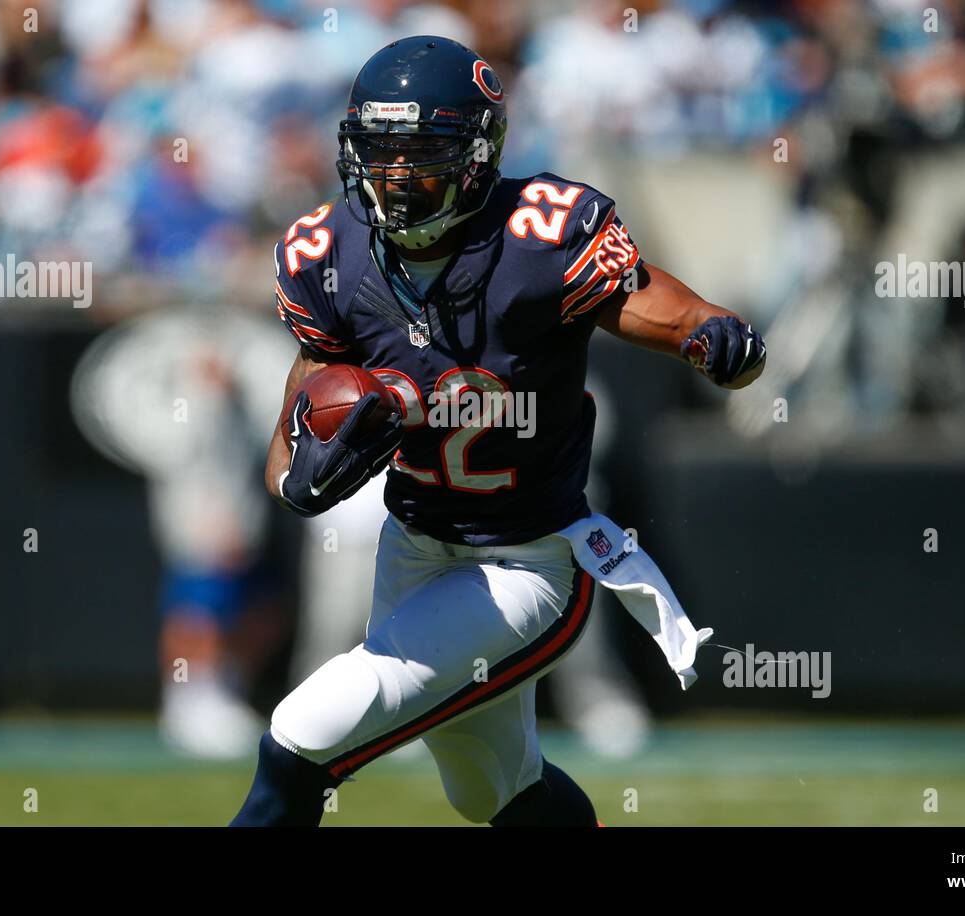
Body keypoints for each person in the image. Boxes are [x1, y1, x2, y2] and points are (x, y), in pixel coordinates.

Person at [232, 36, 765, 827]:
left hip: (528, 561)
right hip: (413, 547)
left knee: (303, 733)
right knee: (494, 791)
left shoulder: (540, 235)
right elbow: (299, 419)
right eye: (380, 151)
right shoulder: (327, 253)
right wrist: (295, 478)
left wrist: (711, 336)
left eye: (420, 153)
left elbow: (658, 303)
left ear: (479, 154)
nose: (394, 175)